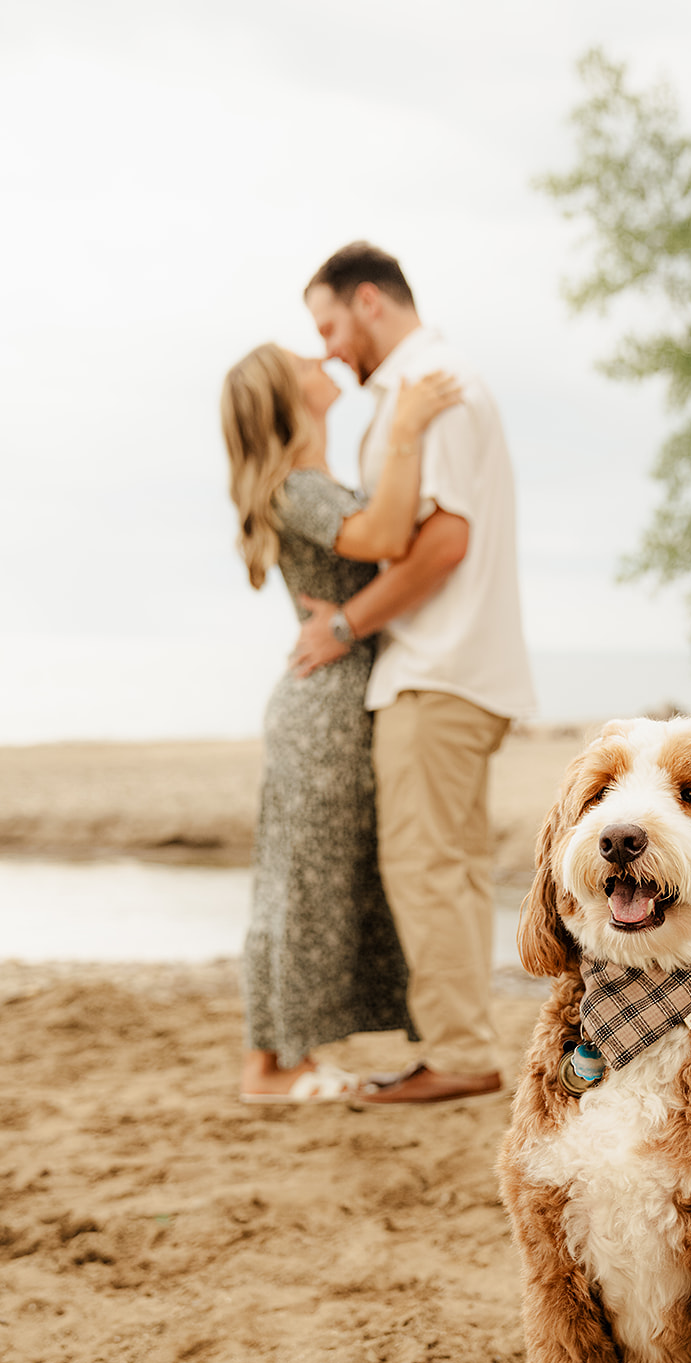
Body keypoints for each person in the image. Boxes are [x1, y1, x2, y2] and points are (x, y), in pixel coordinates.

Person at [293, 241, 537, 1106]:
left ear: (368, 303)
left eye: (328, 325)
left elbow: (443, 539)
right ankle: (460, 1043)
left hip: (437, 670)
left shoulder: (425, 386)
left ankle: (461, 1053)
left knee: (426, 868)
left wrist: (345, 625)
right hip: (461, 668)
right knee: (453, 869)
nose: (326, 347)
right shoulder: (437, 381)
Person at [221, 342, 462, 1102]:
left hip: (330, 703)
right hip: (324, 711)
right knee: (302, 887)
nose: (321, 353)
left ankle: (280, 1056)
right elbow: (387, 538)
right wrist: (408, 427)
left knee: (307, 883)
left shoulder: (312, 486)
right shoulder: (299, 488)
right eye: (302, 357)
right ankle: (272, 1065)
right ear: (288, 399)